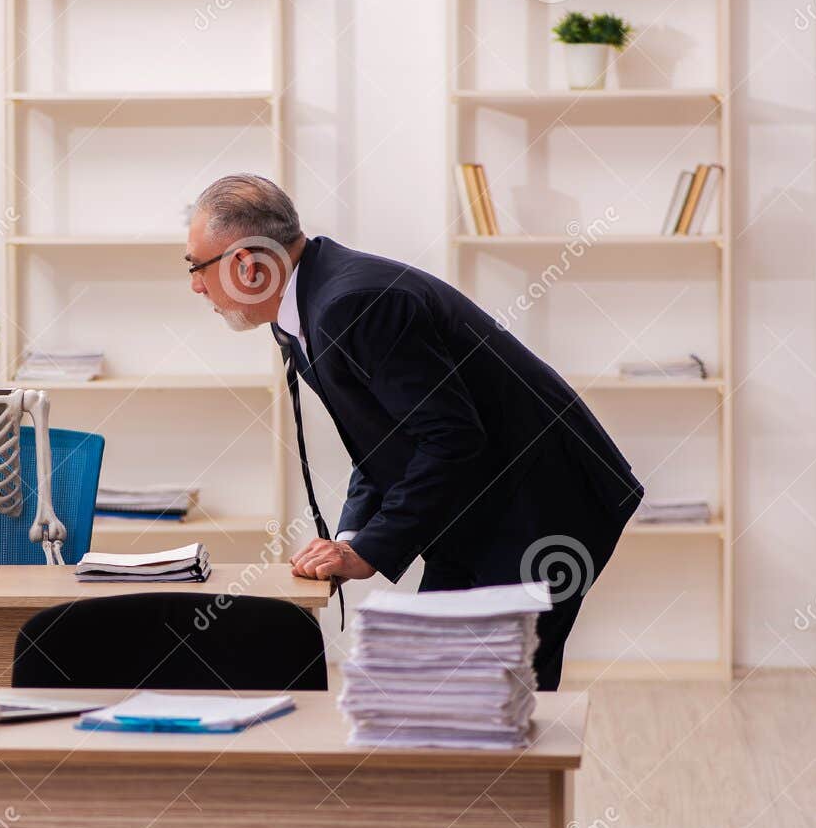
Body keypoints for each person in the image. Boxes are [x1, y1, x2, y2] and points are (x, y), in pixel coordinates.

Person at [185, 173, 643, 690]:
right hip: (478, 502)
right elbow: (381, 440)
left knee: (488, 693)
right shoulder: (306, 305)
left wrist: (368, 551)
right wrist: (352, 539)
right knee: (435, 684)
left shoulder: (352, 303)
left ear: (246, 263)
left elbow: (452, 438)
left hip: (543, 504)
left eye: (197, 267)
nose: (196, 286)